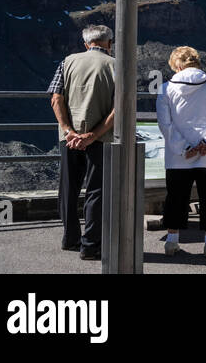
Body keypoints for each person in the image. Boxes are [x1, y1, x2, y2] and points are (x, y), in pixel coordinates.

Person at [48, 24, 116, 261]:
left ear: (86, 44)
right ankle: (90, 245)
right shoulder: (117, 66)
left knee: (68, 188)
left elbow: (56, 98)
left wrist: (68, 131)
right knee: (96, 191)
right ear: (109, 43)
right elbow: (119, 108)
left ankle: (70, 238)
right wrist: (92, 135)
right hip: (100, 140)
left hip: (68, 139)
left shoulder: (67, 62)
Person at [157, 46, 206, 257]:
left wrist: (184, 148)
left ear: (177, 65)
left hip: (178, 157)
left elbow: (165, 123)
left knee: (176, 198)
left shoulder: (165, 89)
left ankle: (172, 241)